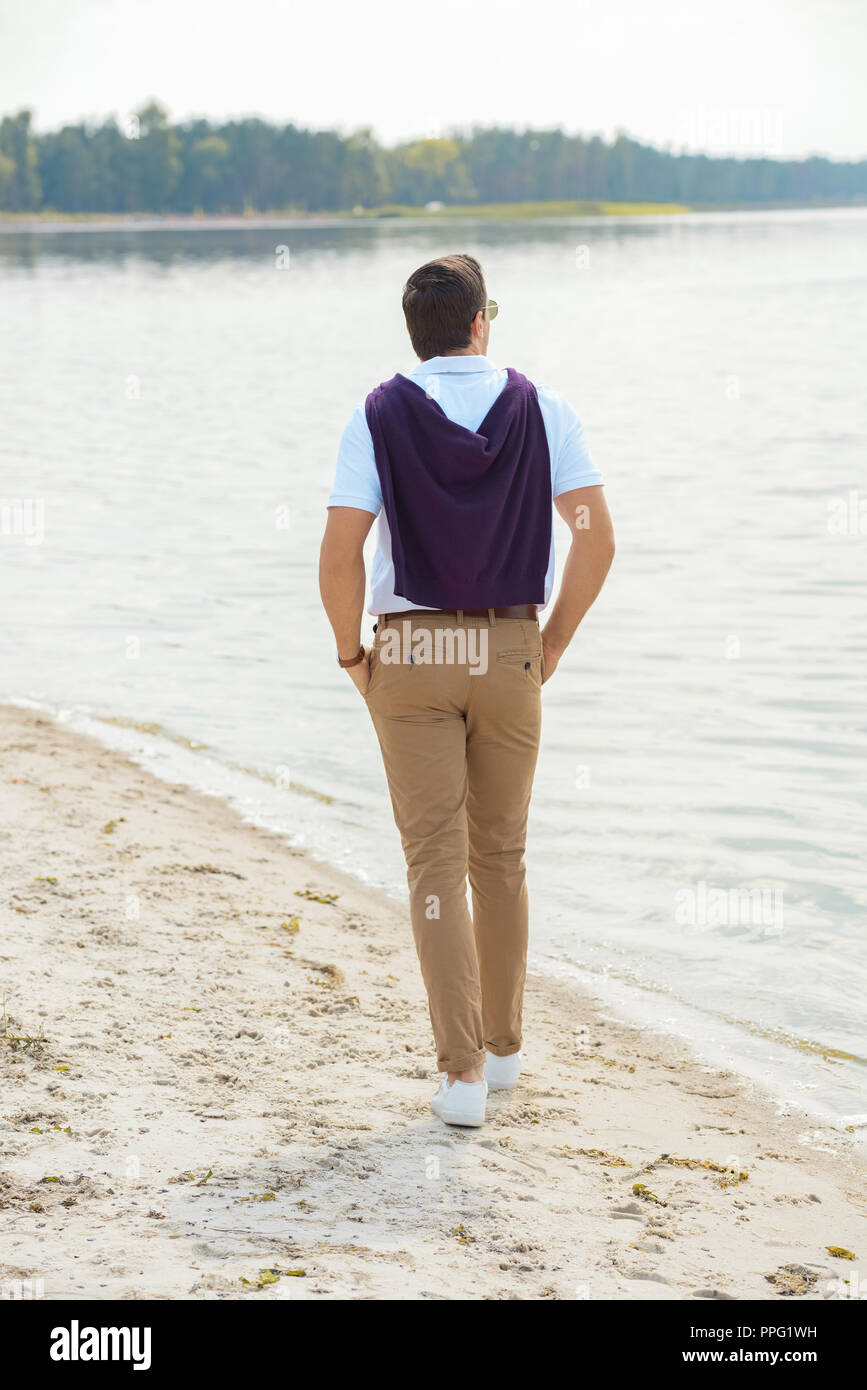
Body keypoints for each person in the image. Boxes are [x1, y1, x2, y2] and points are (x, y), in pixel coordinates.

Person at [320, 253, 614, 1127]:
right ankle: (507, 1053)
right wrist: (549, 643)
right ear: (483, 319)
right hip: (509, 648)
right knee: (502, 858)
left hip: (410, 652)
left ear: (417, 332)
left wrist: (352, 659)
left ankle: (458, 1078)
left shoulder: (375, 414)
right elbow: (595, 540)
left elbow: (338, 557)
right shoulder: (545, 408)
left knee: (435, 863)